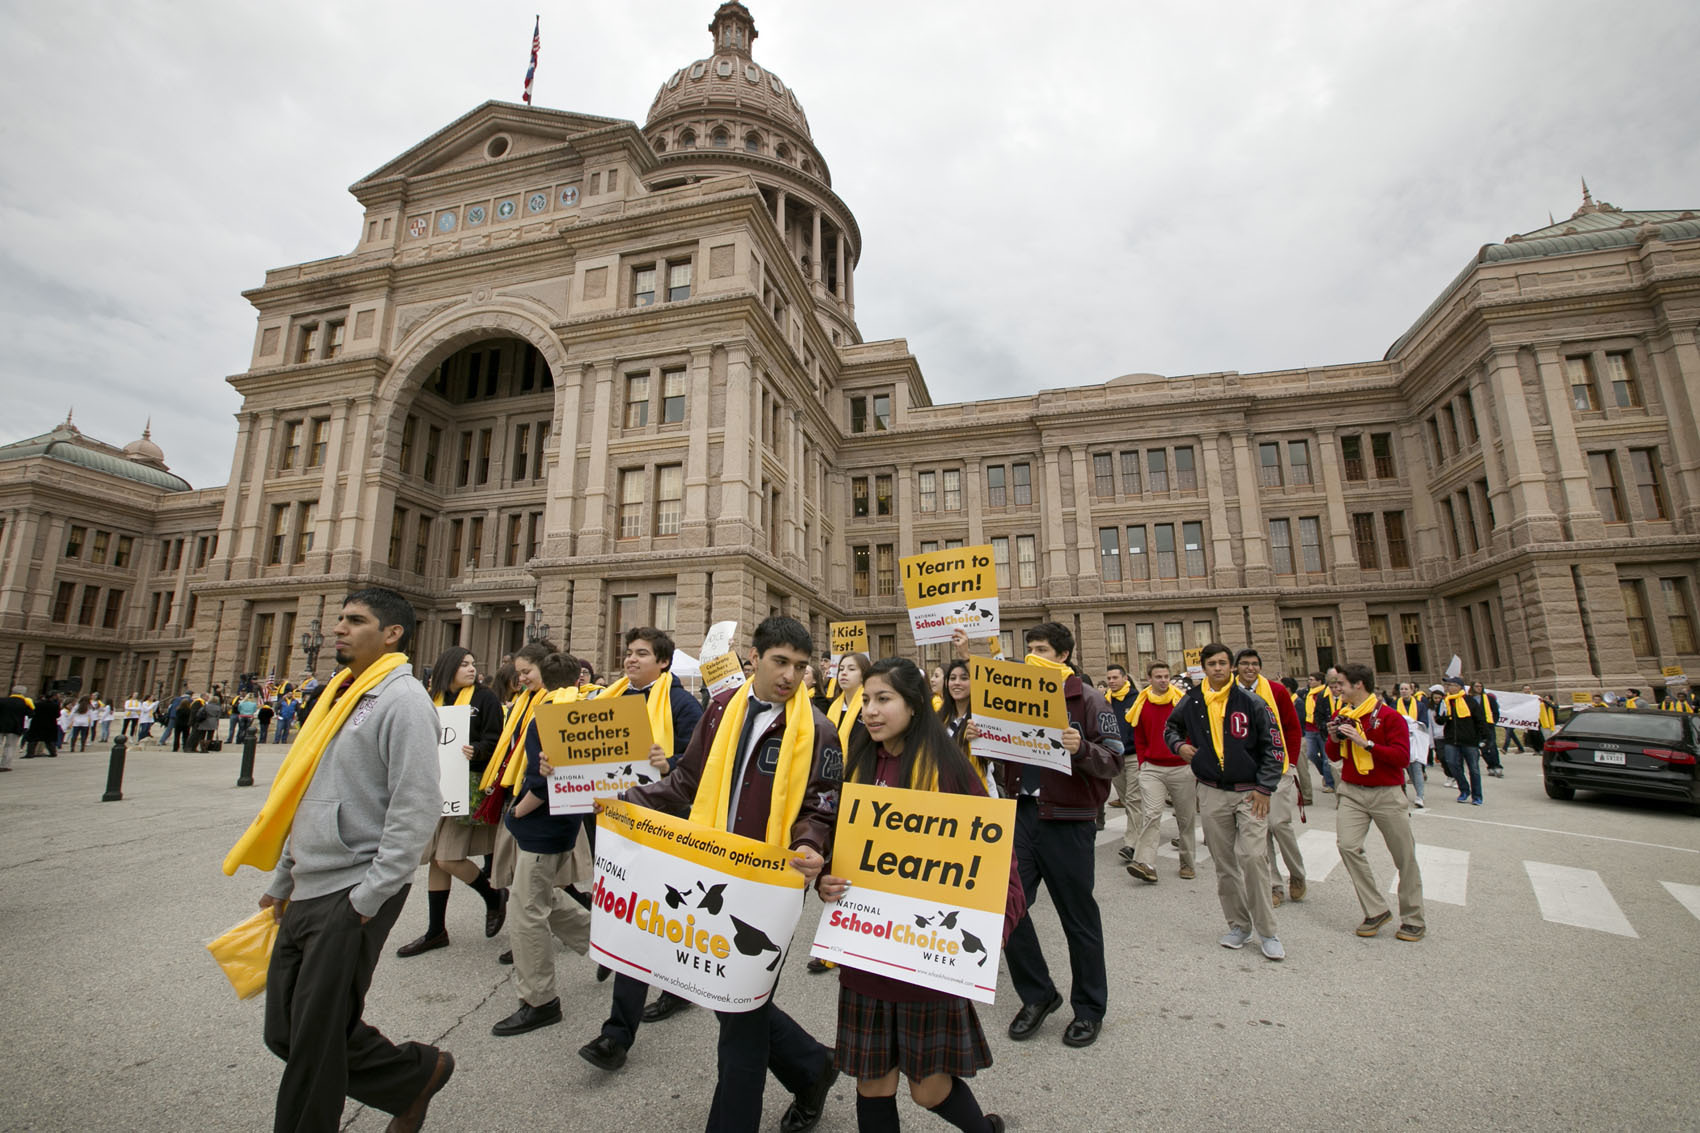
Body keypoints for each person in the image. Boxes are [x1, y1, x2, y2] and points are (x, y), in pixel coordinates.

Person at [577, 616, 842, 1133]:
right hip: (709, 875)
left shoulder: (821, 730)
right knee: (733, 1001)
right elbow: (688, 781)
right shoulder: (722, 709)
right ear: (755, 658)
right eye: (780, 662)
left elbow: (822, 805)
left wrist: (811, 841)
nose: (790, 676)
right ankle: (813, 1066)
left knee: (739, 1011)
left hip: (768, 888)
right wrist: (625, 800)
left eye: (801, 667)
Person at [233, 588, 454, 1133]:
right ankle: (414, 1075)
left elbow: (416, 805)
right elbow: (303, 789)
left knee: (314, 1043)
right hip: (308, 884)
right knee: (285, 1031)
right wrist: (285, 876)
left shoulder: (403, 701)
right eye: (340, 619)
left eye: (355, 621)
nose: (338, 629)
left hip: (352, 889)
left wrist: (369, 896)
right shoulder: (340, 694)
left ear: (393, 634)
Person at [820, 657, 1018, 1133]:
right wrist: (824, 877)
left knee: (927, 1087)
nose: (869, 709)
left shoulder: (949, 770)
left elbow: (995, 855)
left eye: (883, 699)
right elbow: (837, 845)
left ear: (913, 706)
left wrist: (998, 929)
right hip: (866, 954)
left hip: (926, 961)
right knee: (873, 1083)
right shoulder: (857, 767)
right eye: (866, 699)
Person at [978, 622, 1122, 1049]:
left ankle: (1089, 1009)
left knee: (1078, 919)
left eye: (1042, 650)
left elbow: (1113, 761)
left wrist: (1080, 748)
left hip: (1069, 820)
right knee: (1007, 906)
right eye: (1030, 650)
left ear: (1063, 655)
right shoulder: (1017, 696)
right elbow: (1000, 752)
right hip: (1023, 814)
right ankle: (1039, 995)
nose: (1034, 657)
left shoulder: (1090, 700)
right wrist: (981, 738)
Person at [590, 626, 706, 1024]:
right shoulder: (609, 700)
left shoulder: (684, 705)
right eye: (628, 652)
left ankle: (623, 1027)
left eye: (641, 653)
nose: (630, 659)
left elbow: (700, 765)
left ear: (663, 663)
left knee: (651, 914)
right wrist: (557, 768)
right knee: (626, 908)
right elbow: (585, 756)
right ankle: (649, 981)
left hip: (664, 821)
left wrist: (668, 763)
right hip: (615, 819)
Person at [492, 651, 595, 1036]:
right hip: (567, 821)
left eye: (526, 673)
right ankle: (604, 946)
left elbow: (541, 780)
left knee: (526, 912)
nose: (521, 679)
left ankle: (539, 1000)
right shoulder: (585, 711)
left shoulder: (545, 716)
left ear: (543, 677)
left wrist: (517, 812)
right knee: (538, 896)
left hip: (541, 825)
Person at [1165, 643, 1285, 960]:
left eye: (1223, 663)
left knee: (1254, 858)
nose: (1218, 668)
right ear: (1203, 667)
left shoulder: (1252, 701)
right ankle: (1238, 925)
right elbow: (1171, 727)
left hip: (1250, 793)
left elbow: (1274, 747)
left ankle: (1268, 931)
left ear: (1230, 666)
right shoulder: (1191, 700)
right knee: (1224, 864)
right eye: (1212, 663)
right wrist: (1179, 746)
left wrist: (1265, 787)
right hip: (1211, 790)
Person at [395, 646, 510, 958]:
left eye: (473, 663)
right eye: (463, 664)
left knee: (447, 858)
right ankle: (436, 930)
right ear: (447, 669)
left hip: (466, 785)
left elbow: (496, 738)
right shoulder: (428, 699)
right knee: (434, 859)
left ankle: (492, 895)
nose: (471, 669)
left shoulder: (483, 698)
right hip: (434, 784)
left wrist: (479, 749)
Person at [1325, 663, 1426, 942]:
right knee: (1347, 845)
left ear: (1359, 685)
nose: (1337, 688)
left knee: (1403, 857)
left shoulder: (1390, 717)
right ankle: (1376, 909)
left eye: (1341, 684)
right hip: (1352, 791)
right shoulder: (1342, 714)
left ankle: (1413, 918)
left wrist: (1366, 743)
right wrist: (1334, 736)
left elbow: (1401, 758)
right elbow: (1333, 755)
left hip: (1387, 793)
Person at [1235, 649, 1306, 907]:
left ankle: (1297, 873)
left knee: (1279, 825)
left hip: (1279, 767)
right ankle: (1274, 885)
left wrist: (1291, 763)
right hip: (1248, 772)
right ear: (1237, 667)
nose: (1250, 668)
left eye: (1254, 664)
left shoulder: (1276, 691)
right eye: (1244, 664)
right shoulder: (1230, 693)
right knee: (1259, 830)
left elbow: (1292, 728)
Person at [1124, 660, 1192, 882]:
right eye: (1158, 677)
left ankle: (1187, 863)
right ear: (1149, 679)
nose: (1163, 680)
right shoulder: (1141, 704)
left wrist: (1191, 759)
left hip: (1181, 768)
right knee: (1151, 815)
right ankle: (1146, 864)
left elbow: (1192, 733)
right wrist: (1143, 762)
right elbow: (1140, 737)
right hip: (1152, 768)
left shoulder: (1182, 702)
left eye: (1166, 676)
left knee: (1185, 818)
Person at [1101, 663, 1139, 843]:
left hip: (1133, 756)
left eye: (1115, 677)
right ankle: (1141, 827)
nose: (1111, 681)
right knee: (1126, 799)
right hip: (1115, 758)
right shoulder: (1105, 700)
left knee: (1133, 799)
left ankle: (1132, 843)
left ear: (1125, 678)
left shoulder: (1137, 699)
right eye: (1109, 678)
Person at [1437, 676, 1488, 806]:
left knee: (1474, 769)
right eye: (1447, 685)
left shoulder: (1469, 701)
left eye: (1451, 685)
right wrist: (1443, 717)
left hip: (1469, 740)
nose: (1448, 687)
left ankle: (1477, 796)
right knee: (1452, 764)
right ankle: (1464, 790)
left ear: (1459, 687)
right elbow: (1439, 720)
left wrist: (1484, 737)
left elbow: (1480, 719)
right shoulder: (1446, 702)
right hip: (1451, 740)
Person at [1393, 682, 1430, 808]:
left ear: (1411, 691)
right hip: (1401, 739)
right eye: (1401, 689)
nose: (1404, 691)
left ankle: (1420, 795)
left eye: (1406, 689)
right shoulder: (1394, 705)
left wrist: (1413, 725)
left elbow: (1425, 722)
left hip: (1415, 739)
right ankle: (1403, 794)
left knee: (1417, 768)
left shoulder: (1420, 706)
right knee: (1406, 769)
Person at [827, 653, 872, 750]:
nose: (844, 673)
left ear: (863, 676)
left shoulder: (870, 706)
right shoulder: (834, 707)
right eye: (841, 669)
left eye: (851, 669)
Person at [1300, 672, 1336, 792]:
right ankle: (1325, 774)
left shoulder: (1325, 694)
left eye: (1312, 680)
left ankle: (1330, 783)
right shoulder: (1307, 694)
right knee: (1311, 754)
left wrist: (1323, 726)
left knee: (1326, 758)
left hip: (1322, 730)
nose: (1309, 682)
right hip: (1310, 729)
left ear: (1319, 681)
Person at [1471, 681, 1504, 777]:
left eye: (1480, 686)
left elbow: (1495, 712)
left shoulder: (1489, 698)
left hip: (1488, 725)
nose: (1478, 688)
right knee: (1482, 747)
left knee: (1492, 746)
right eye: (1476, 686)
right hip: (1477, 727)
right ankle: (1490, 765)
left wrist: (1493, 721)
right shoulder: (1470, 699)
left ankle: (1497, 766)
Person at [0, 685, 31, 771]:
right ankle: (5, 765)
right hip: (15, 727)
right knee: (10, 746)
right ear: (23, 693)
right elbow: (31, 714)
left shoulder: (3, 700)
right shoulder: (25, 703)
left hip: (1, 725)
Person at [24, 691, 59, 758]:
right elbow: (57, 715)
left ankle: (30, 753)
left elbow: (32, 712)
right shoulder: (55, 705)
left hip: (37, 723)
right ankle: (53, 753)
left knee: (33, 739)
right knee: (49, 739)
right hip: (50, 723)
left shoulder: (37, 704)